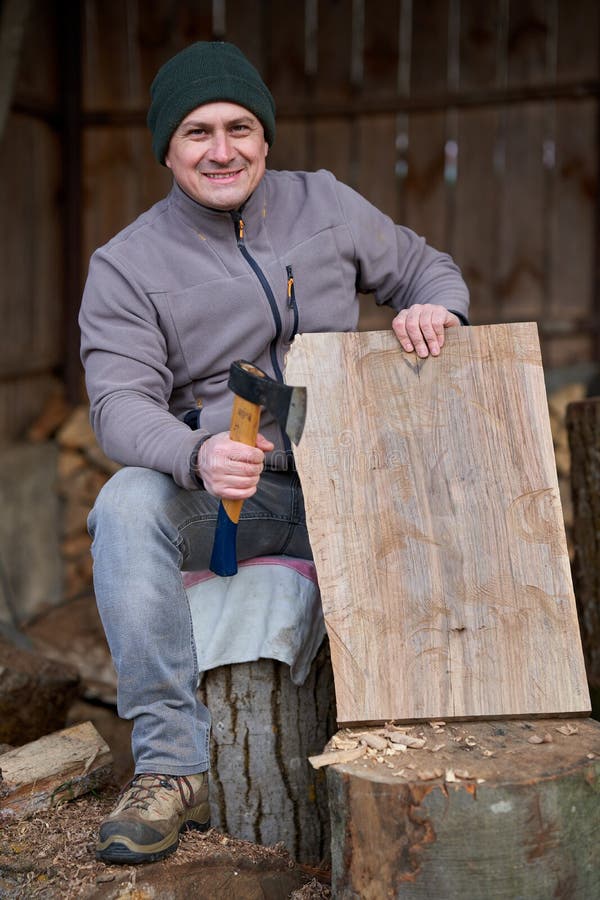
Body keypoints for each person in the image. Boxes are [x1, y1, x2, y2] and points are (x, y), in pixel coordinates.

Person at [79, 40, 469, 866]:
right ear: (168, 149)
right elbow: (118, 405)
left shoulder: (323, 203)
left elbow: (425, 269)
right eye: (198, 132)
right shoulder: (127, 265)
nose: (222, 150)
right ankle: (171, 768)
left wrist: (433, 309)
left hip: (358, 479)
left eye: (240, 128)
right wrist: (197, 454)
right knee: (125, 504)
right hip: (241, 498)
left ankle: (444, 740)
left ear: (265, 137)